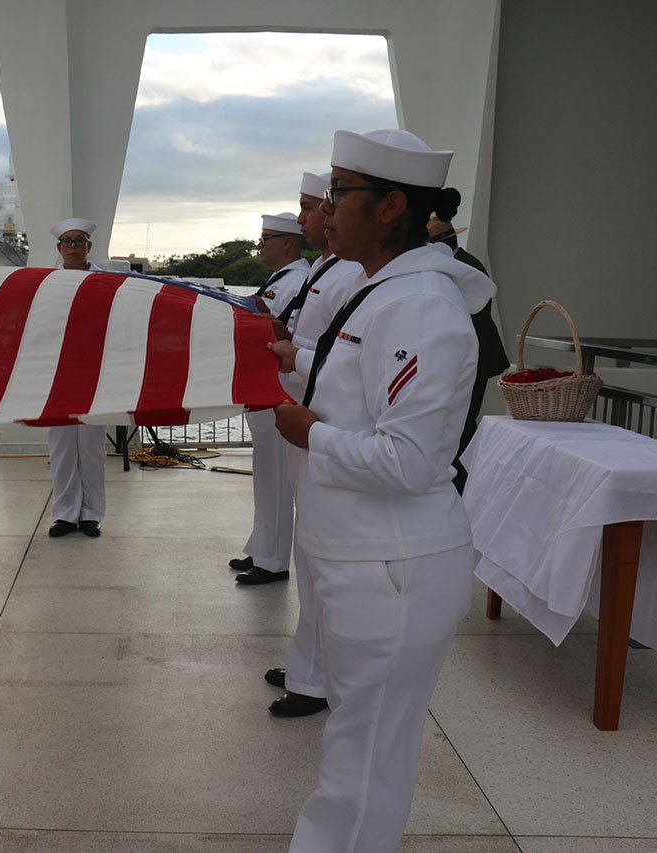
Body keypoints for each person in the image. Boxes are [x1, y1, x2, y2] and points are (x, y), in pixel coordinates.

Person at [269, 128, 495, 852]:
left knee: (362, 768)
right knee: (359, 753)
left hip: (392, 568)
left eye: (340, 193)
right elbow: (361, 388)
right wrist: (296, 360)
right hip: (361, 560)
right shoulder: (381, 291)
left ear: (393, 205)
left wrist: (310, 432)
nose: (327, 210)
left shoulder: (421, 305)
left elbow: (409, 459)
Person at [259, 172, 365, 718]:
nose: (307, 218)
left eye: (315, 205)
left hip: (323, 424)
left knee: (321, 557)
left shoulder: (350, 275)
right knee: (308, 554)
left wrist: (292, 350)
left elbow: (339, 357)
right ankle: (309, 663)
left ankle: (317, 677)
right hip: (306, 416)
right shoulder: (329, 268)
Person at [232, 213, 309, 585]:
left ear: (288, 242)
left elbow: (272, 324)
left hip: (281, 388)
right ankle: (262, 546)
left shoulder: (295, 280)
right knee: (265, 472)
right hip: (267, 387)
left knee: (276, 475)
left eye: (267, 237)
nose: (260, 244)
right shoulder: (282, 279)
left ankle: (274, 560)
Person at [426, 207, 510, 492]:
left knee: (462, 426)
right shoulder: (459, 263)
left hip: (478, 357)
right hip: (472, 356)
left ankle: (467, 484)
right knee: (460, 424)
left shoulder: (465, 268)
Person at [45, 217, 107, 539]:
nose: (73, 247)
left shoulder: (105, 282)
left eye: (78, 241)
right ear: (59, 248)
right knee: (62, 446)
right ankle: (65, 513)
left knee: (91, 446)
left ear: (88, 246)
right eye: (67, 242)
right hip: (58, 373)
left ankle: (91, 515)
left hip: (94, 372)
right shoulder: (48, 284)